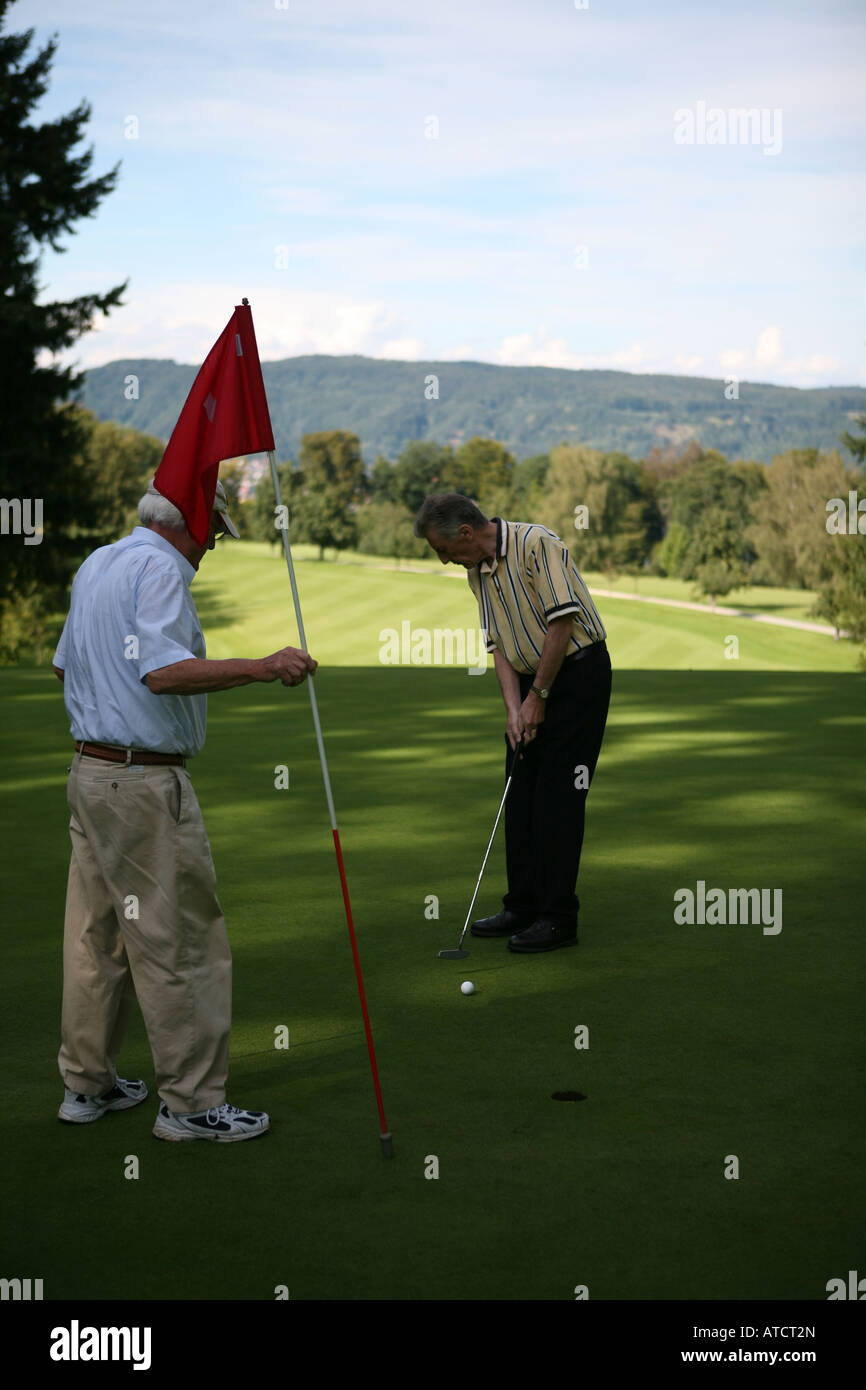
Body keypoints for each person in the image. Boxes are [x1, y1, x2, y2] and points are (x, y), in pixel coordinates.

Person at [52, 479, 317, 1141]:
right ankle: (192, 1105)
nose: (213, 547)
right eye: (215, 531)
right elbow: (163, 671)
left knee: (97, 938)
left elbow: (66, 667)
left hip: (89, 772)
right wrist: (262, 666)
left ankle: (88, 1085)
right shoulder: (163, 568)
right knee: (182, 941)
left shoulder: (99, 562)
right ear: (191, 521)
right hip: (142, 783)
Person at [414, 493, 611, 954]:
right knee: (520, 790)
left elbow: (562, 624)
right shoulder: (475, 572)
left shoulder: (536, 544)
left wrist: (538, 696)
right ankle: (522, 906)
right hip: (528, 683)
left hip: (577, 677)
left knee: (558, 798)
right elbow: (498, 643)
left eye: (443, 550)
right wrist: (513, 708)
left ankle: (558, 918)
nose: (444, 560)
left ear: (465, 533)